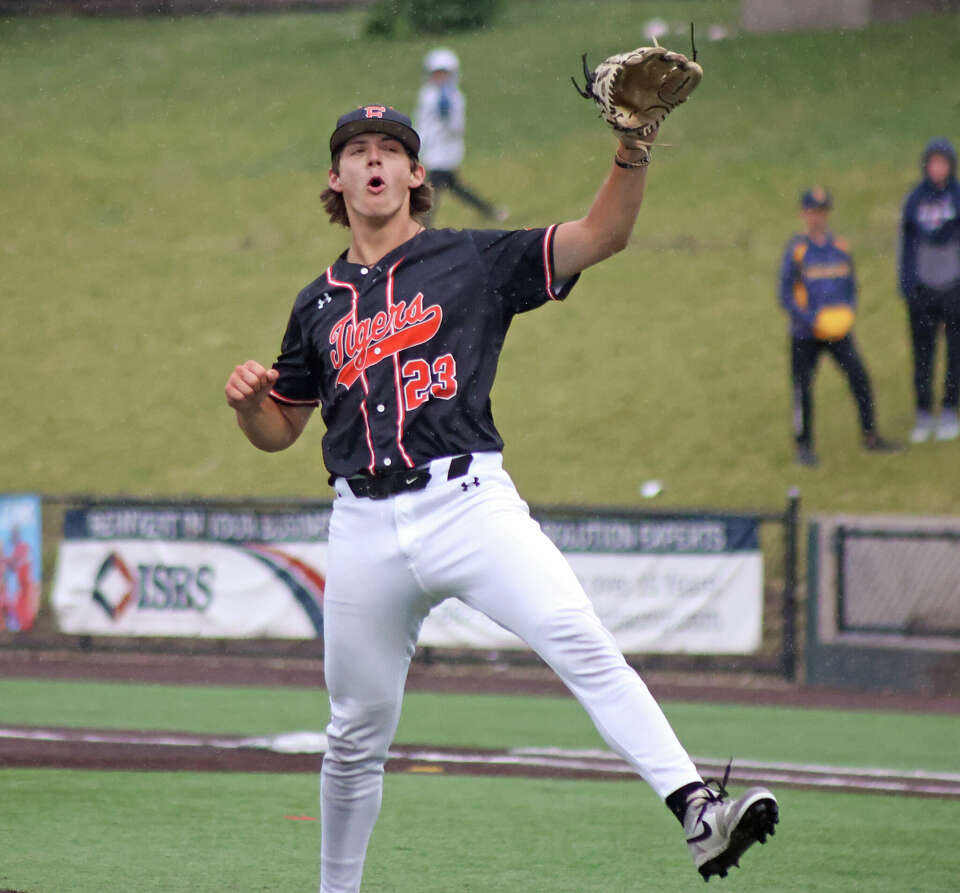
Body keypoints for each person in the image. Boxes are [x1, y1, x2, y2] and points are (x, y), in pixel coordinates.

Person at [225, 103, 778, 892]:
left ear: (418, 175)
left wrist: (634, 145)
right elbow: (281, 429)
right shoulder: (316, 304)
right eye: (358, 150)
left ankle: (696, 806)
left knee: (576, 634)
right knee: (353, 735)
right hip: (362, 526)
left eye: (392, 150)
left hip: (467, 504)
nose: (375, 161)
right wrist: (252, 405)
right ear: (335, 177)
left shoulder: (471, 260)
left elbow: (603, 234)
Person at [778, 188, 899, 466]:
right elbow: (785, 294)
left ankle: (871, 436)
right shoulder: (797, 250)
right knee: (802, 389)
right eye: (813, 212)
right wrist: (811, 320)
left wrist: (848, 314)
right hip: (805, 335)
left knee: (860, 379)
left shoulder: (840, 248)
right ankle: (803, 446)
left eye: (822, 212)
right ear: (804, 215)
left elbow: (850, 288)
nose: (818, 218)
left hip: (839, 332)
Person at [898, 138, 960, 443]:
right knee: (923, 354)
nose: (938, 168)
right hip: (923, 291)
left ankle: (949, 408)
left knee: (955, 352)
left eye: (943, 162)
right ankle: (924, 413)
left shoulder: (958, 197)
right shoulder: (914, 200)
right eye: (933, 162)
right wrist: (907, 286)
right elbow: (906, 246)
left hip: (954, 288)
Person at [414, 48, 508, 224]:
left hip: (446, 152)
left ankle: (423, 227)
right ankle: (490, 210)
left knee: (432, 188)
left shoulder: (455, 98)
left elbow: (457, 128)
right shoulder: (427, 95)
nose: (439, 78)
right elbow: (423, 123)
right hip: (430, 149)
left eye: (444, 74)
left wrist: (447, 115)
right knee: (454, 186)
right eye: (436, 74)